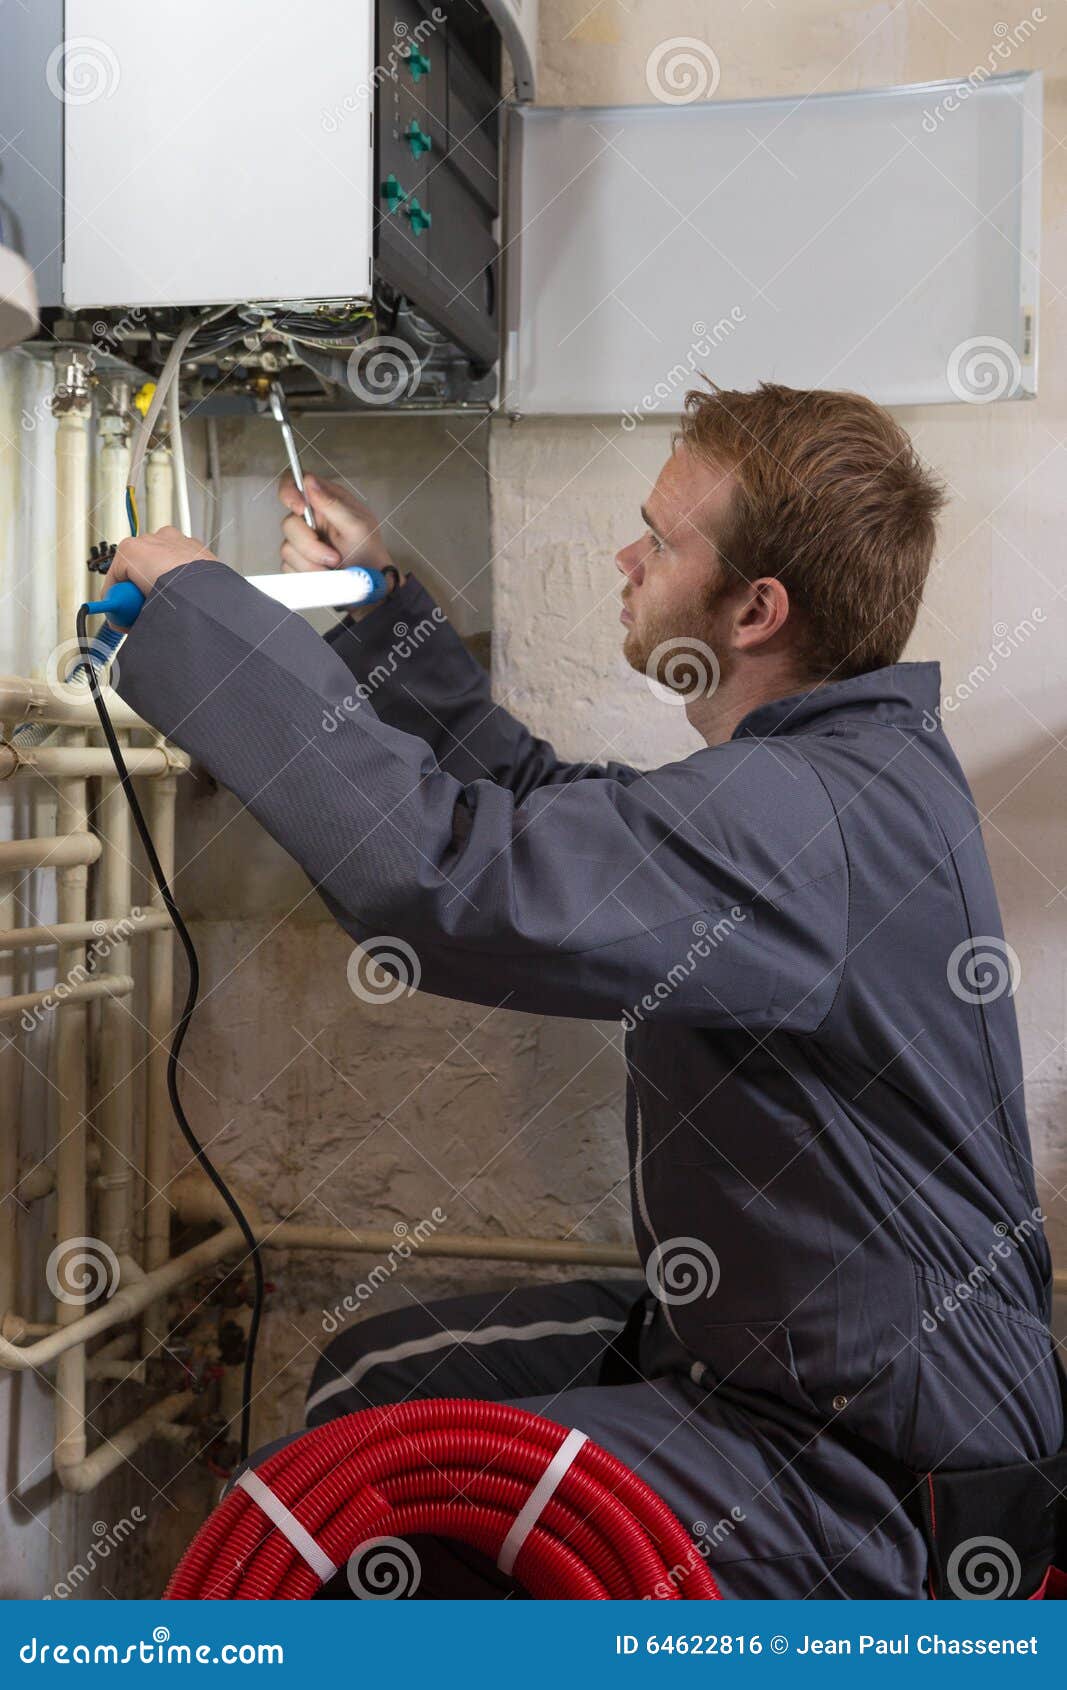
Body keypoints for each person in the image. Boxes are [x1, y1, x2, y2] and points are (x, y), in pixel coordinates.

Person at [109, 382, 1063, 1599]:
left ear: (753, 609)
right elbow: (550, 810)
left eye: (661, 542)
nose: (627, 555)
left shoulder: (800, 818)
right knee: (377, 1377)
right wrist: (379, 615)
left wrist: (200, 610)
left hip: (870, 1475)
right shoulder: (828, 778)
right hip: (783, 1381)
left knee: (376, 1498)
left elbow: (444, 874)